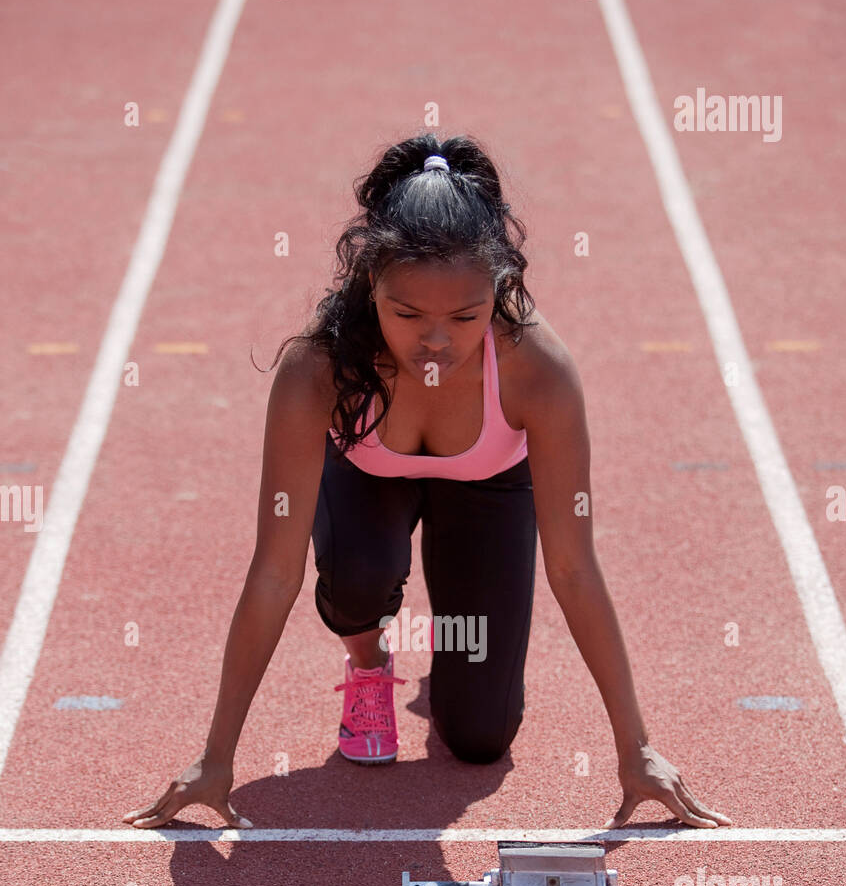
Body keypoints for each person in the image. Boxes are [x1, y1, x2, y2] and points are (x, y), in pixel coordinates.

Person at [123, 132, 730, 832]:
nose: (436, 340)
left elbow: (572, 563)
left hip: (490, 487)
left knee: (479, 739)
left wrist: (637, 750)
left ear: (499, 289)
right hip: (367, 476)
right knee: (356, 573)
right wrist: (216, 757)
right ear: (368, 284)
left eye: (464, 317)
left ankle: (456, 655)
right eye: (407, 315)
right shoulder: (317, 369)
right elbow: (273, 572)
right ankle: (370, 660)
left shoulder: (539, 370)